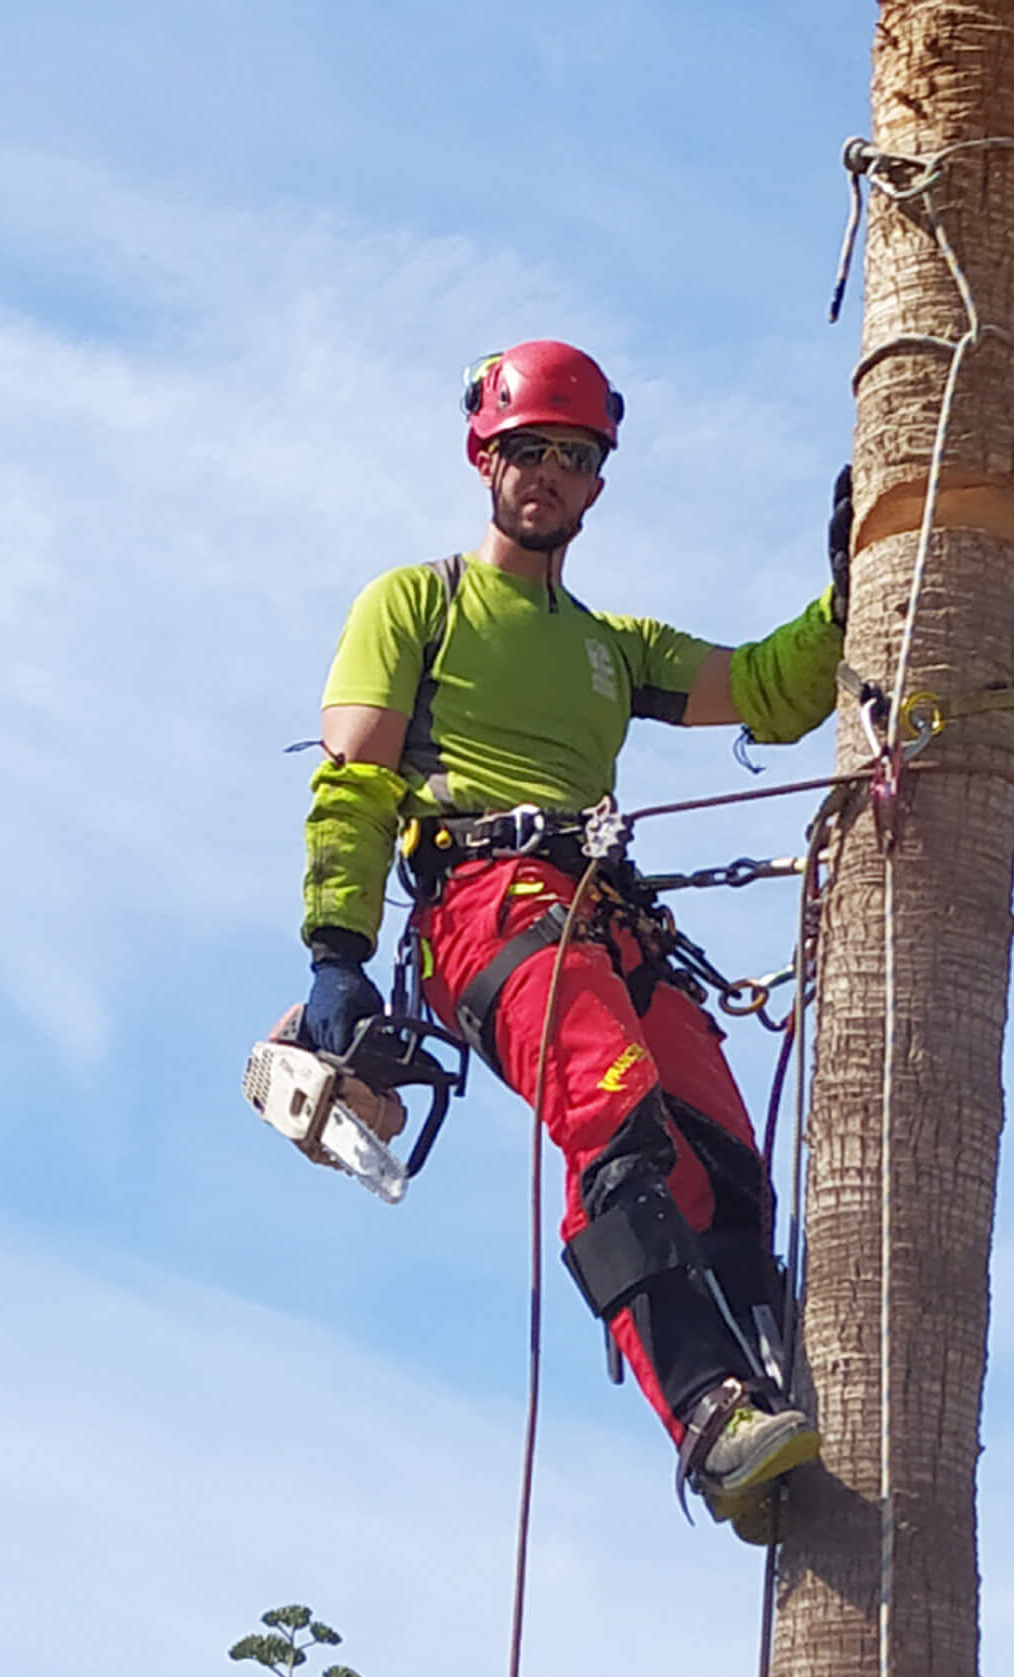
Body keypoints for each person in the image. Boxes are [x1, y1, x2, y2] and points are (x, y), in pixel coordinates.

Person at [294, 339, 851, 1539]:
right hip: (482, 901)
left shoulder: (615, 649)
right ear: (481, 458)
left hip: (602, 912)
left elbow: (768, 690)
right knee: (617, 1120)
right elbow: (352, 780)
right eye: (526, 450)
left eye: (573, 455)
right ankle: (709, 1414)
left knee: (720, 1157)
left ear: (599, 482)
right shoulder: (419, 603)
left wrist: (845, 597)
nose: (546, 473)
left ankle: (768, 1381)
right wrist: (337, 953)